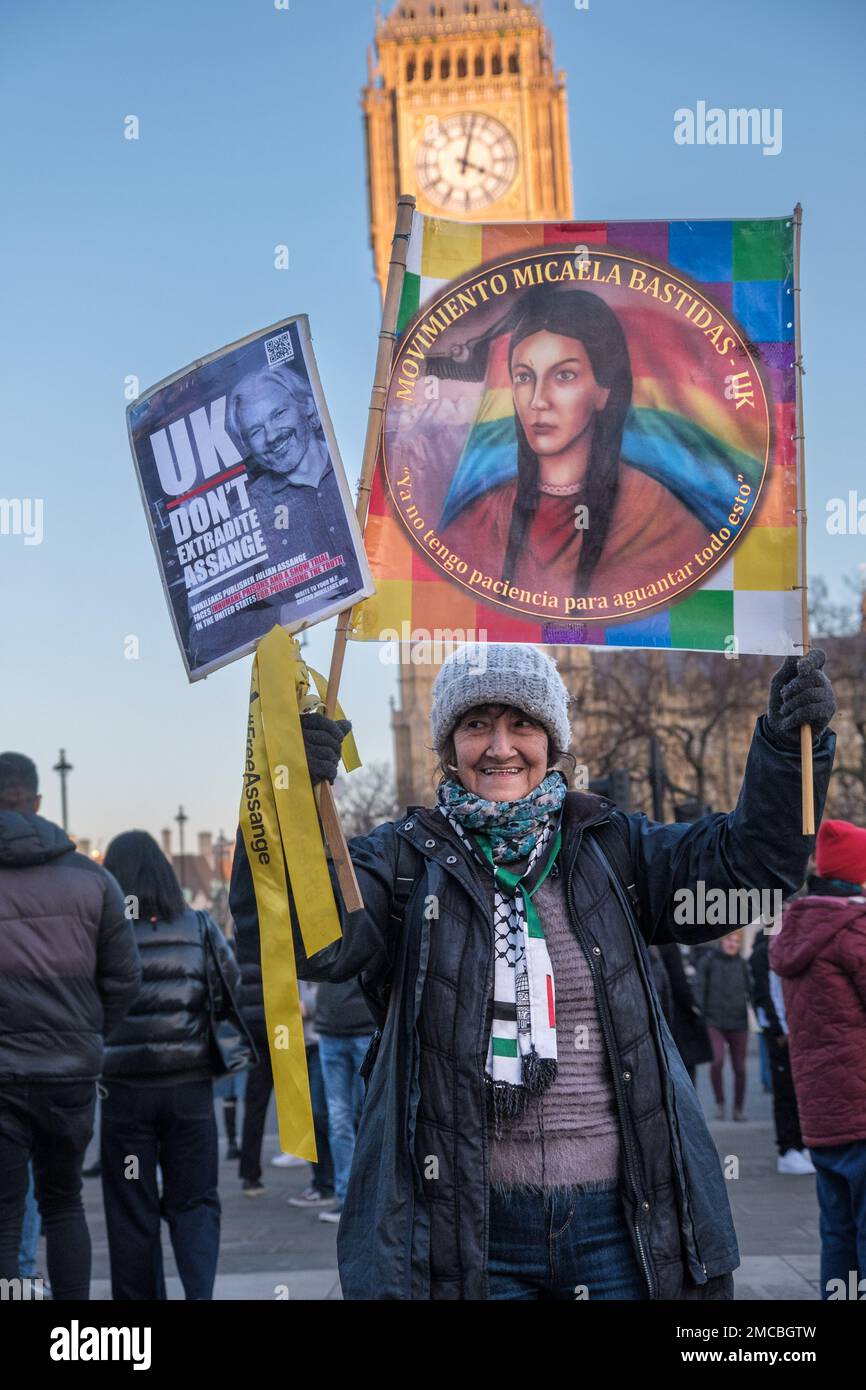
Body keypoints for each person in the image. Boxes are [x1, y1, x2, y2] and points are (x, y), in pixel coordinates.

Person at [231, 643, 836, 1300]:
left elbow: (749, 876)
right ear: (447, 745)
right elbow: (297, 937)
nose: (500, 747)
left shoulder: (614, 848)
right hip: (471, 1234)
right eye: (476, 725)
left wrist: (785, 750)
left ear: (553, 740)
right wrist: (286, 799)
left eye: (521, 724)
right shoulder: (406, 862)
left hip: (622, 1225)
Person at [440, 287, 709, 602]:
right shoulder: (482, 519)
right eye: (525, 377)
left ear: (604, 390)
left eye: (564, 375)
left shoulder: (659, 520)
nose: (538, 401)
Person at [0, 752, 141, 1300]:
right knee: (63, 1203)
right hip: (70, 1074)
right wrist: (88, 1032)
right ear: (36, 802)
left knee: (4, 1213)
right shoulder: (93, 880)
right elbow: (126, 979)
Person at [99, 830, 241, 1300]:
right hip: (189, 1086)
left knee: (131, 1208)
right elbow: (229, 981)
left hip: (124, 1092)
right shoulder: (199, 926)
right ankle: (199, 1293)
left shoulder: (104, 932)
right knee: (195, 1199)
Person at [770, 818, 866, 1298]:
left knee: (838, 1229)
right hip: (862, 1107)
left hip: (823, 1112)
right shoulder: (854, 932)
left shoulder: (797, 930)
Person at [748, 929, 813, 1175]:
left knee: (798, 1090)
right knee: (785, 1091)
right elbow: (764, 994)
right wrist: (778, 1030)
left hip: (792, 1029)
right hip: (780, 1033)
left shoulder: (785, 947)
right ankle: (787, 1149)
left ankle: (799, 1143)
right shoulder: (763, 953)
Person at [312, 980, 376, 1224]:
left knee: (362, 1117)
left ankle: (362, 1196)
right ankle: (349, 1197)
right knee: (344, 1118)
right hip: (335, 1029)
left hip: (355, 1028)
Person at [287, 982, 336, 1211]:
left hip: (318, 1041)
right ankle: (321, 1181)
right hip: (298, 1043)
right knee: (310, 1116)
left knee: (320, 1114)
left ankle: (328, 1183)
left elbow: (330, 985)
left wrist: (306, 1005)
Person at [697, 930, 752, 1122]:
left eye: (737, 941)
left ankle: (738, 1109)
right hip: (714, 1021)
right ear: (722, 941)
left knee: (740, 1068)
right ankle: (720, 1104)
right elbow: (699, 989)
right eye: (729, 939)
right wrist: (700, 1015)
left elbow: (751, 991)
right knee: (717, 1061)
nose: (732, 944)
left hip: (738, 1022)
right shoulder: (708, 962)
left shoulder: (742, 965)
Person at [655, 942, 713, 1088]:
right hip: (677, 1018)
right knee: (684, 1071)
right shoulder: (668, 946)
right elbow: (679, 983)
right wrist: (694, 1008)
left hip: (660, 1015)